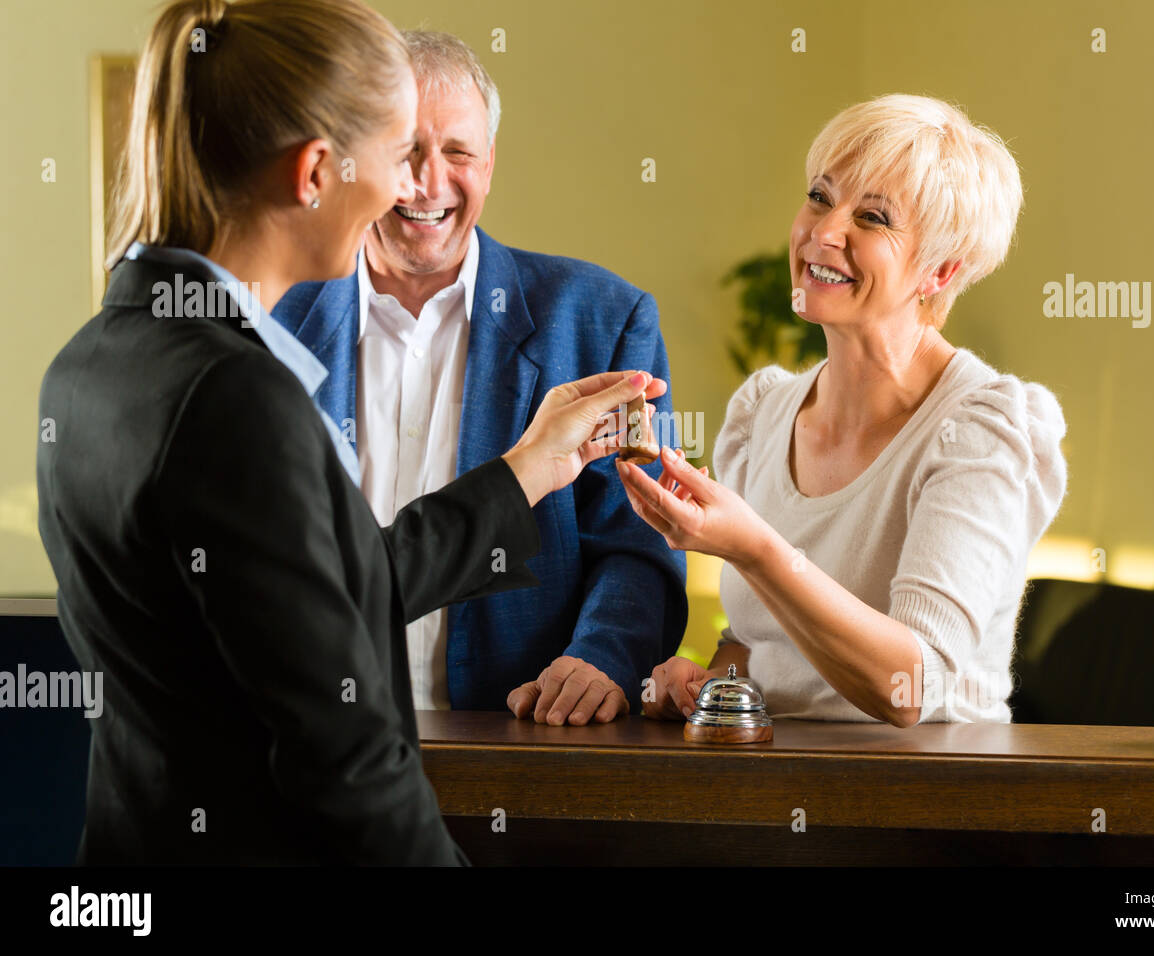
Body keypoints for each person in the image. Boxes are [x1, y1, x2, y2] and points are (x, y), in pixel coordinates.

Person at [35, 0, 663, 865]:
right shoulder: (237, 393)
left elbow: (337, 584)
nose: (410, 187)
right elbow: (344, 757)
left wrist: (522, 473)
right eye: (393, 152)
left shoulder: (89, 359)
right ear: (316, 172)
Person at [271, 31, 686, 726]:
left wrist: (604, 656)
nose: (428, 182)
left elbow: (639, 545)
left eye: (457, 152)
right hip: (306, 752)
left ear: (489, 164)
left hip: (521, 748)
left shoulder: (602, 320)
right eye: (405, 151)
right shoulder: (272, 318)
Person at [620, 94, 1068, 727]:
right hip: (775, 790)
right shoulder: (764, 413)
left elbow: (910, 688)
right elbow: (764, 649)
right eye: (820, 198)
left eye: (874, 218)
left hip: (923, 802)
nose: (824, 234)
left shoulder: (979, 430)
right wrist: (708, 681)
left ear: (939, 271)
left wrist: (755, 549)